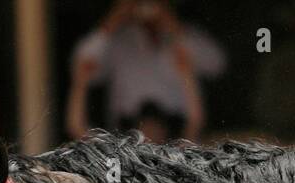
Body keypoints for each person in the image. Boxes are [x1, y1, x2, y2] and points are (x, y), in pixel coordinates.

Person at [66, 0, 225, 142]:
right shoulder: (119, 39)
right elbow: (82, 66)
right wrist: (114, 18)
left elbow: (216, 66)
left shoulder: (186, 34)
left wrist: (173, 27)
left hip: (172, 129)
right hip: (126, 130)